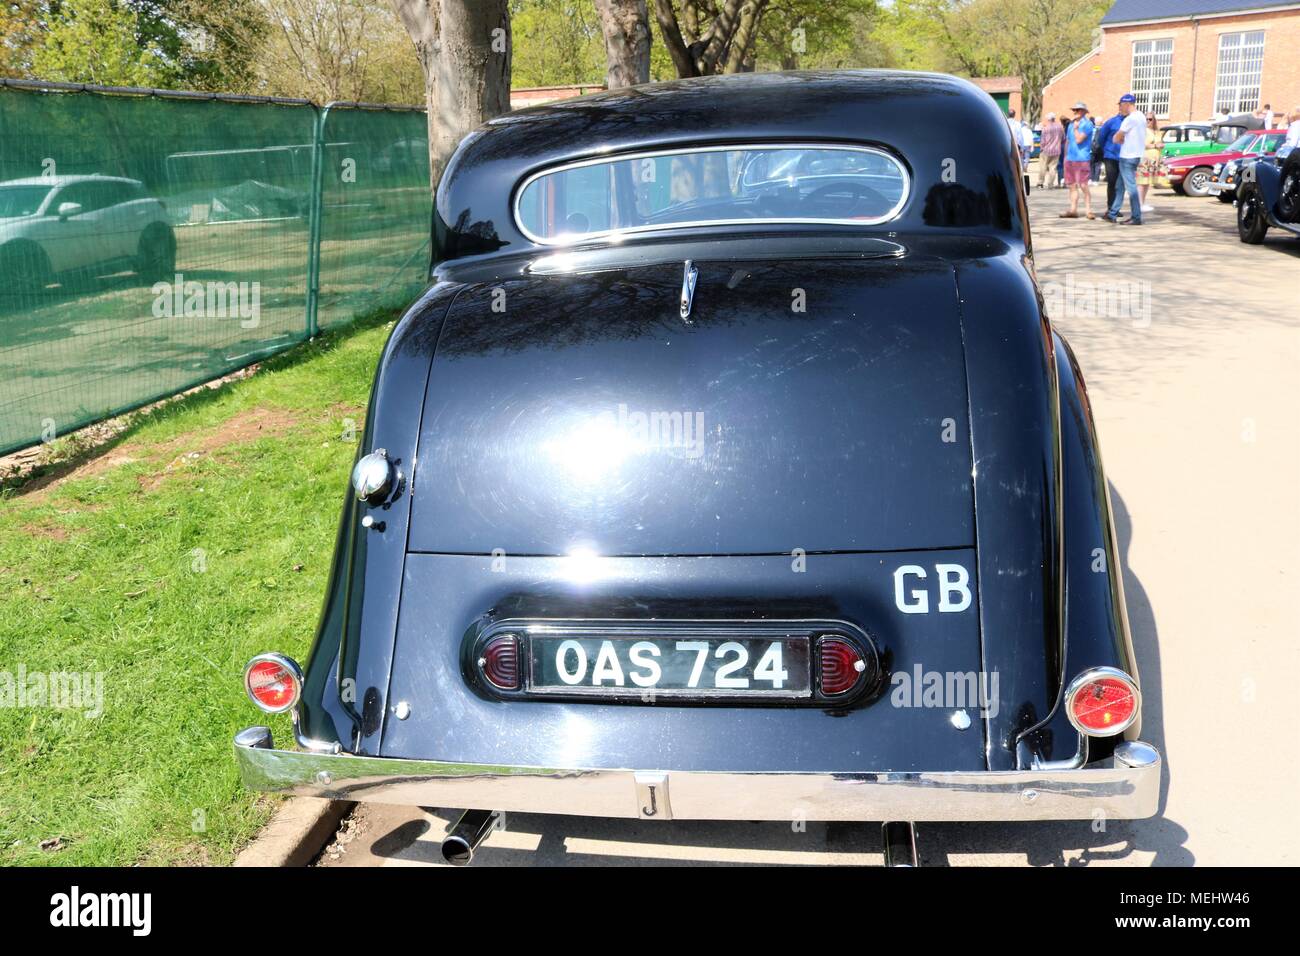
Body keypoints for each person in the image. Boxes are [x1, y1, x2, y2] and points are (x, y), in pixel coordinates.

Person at [1105, 92, 1146, 224]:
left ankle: (1136, 217)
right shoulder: (1141, 116)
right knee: (1120, 185)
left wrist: (1120, 138)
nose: (1120, 108)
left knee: (1130, 188)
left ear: (1127, 104)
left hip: (1127, 156)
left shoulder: (1130, 119)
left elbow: (1115, 138)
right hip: (1136, 155)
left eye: (1121, 105)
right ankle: (1112, 212)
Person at [1060, 102, 1096, 219]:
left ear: (1084, 112)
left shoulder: (1088, 124)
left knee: (1083, 185)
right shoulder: (1070, 125)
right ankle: (1073, 210)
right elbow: (1069, 141)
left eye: (1078, 110)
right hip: (1070, 158)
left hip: (1082, 158)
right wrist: (1065, 157)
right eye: (1074, 110)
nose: (1075, 112)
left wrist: (1076, 128)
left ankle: (1088, 210)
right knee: (1072, 185)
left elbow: (1079, 139)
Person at [1096, 106, 1123, 209]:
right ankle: (1110, 206)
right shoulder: (1111, 122)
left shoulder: (1130, 121)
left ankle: (1116, 207)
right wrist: (1107, 149)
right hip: (1111, 156)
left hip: (1124, 157)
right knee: (1112, 182)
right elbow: (1101, 138)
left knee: (1120, 184)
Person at [1137, 113, 1162, 213]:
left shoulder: (1157, 131)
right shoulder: (1143, 131)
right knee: (1141, 182)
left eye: (1150, 119)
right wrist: (1155, 146)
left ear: (1154, 120)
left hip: (1154, 159)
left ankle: (1142, 203)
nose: (1148, 121)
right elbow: (1142, 144)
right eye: (1146, 119)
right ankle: (1139, 204)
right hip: (1145, 159)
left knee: (1147, 182)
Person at [1038, 112, 1063, 188]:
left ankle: (1040, 183)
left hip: (1046, 150)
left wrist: (1041, 149)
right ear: (1054, 118)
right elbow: (1063, 137)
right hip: (1056, 150)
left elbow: (1043, 141)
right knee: (1053, 168)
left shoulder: (1045, 128)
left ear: (1048, 119)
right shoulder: (1060, 127)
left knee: (1043, 167)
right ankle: (1050, 184)